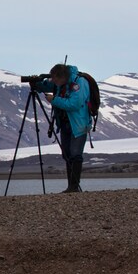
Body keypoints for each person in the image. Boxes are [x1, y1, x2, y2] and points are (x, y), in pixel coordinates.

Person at [36, 64, 91, 192]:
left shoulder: (79, 83)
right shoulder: (62, 82)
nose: (53, 82)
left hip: (78, 125)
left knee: (75, 154)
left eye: (55, 79)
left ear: (62, 77)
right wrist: (37, 83)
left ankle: (74, 186)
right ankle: (71, 186)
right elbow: (47, 85)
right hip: (65, 124)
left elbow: (74, 104)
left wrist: (54, 100)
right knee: (67, 154)